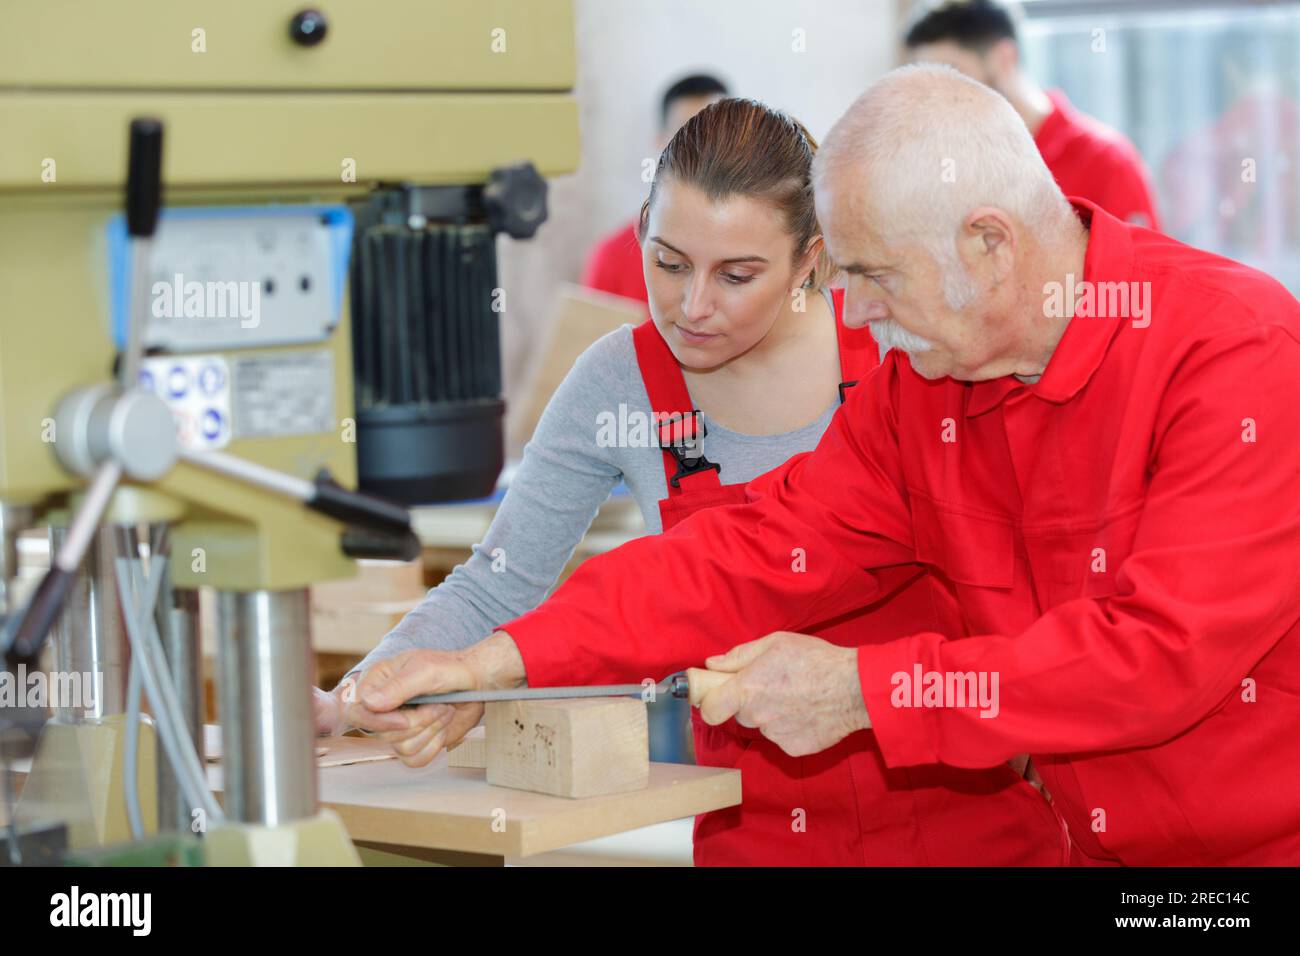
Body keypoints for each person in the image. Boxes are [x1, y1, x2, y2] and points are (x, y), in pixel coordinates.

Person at [356, 64, 1300, 867]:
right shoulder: (924, 389)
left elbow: (1155, 656)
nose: (850, 316)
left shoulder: (1236, 355)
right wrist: (503, 657)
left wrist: (868, 692)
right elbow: (755, 548)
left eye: (873, 276)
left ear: (990, 244)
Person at [905, 0, 1162, 229]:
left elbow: (1140, 276)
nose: (937, 93)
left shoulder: (1107, 162)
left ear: (1004, 57)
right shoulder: (953, 164)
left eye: (952, 71)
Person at [580, 73, 730, 305]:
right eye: (688, 135)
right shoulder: (614, 256)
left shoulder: (770, 247)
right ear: (661, 143)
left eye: (719, 134)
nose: (706, 150)